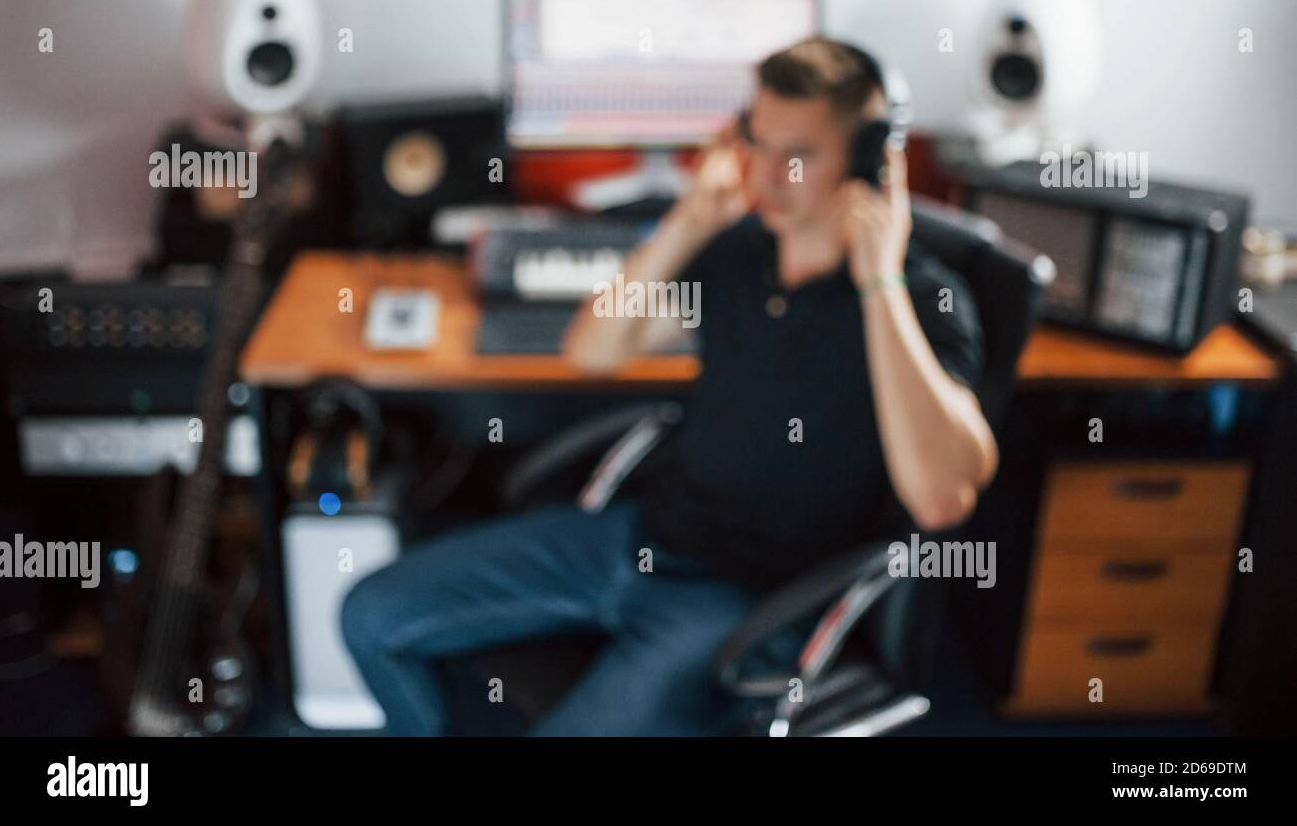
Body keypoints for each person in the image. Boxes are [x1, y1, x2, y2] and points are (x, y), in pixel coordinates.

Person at [341, 37, 998, 735]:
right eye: (755, 142)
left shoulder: (923, 302)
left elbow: (941, 496)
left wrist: (879, 279)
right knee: (370, 615)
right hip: (642, 537)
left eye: (797, 154)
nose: (767, 175)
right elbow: (593, 349)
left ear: (870, 163)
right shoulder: (740, 252)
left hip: (749, 598)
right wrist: (690, 219)